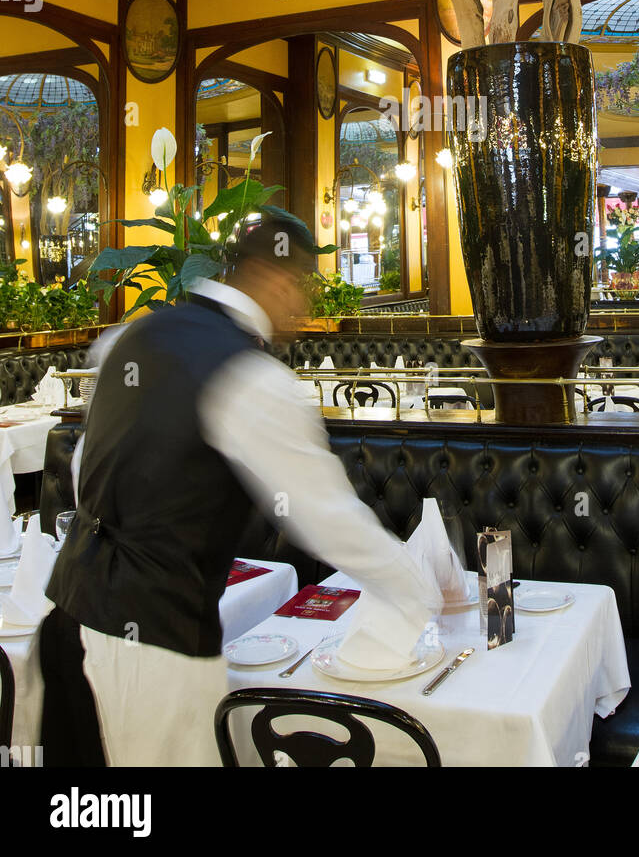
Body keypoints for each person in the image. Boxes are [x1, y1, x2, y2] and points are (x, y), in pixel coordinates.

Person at [43, 217, 439, 767]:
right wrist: (421, 590)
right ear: (276, 279)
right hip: (152, 646)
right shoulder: (249, 376)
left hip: (65, 614)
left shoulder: (130, 337)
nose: (300, 308)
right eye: (303, 286)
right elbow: (327, 516)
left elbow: (89, 462)